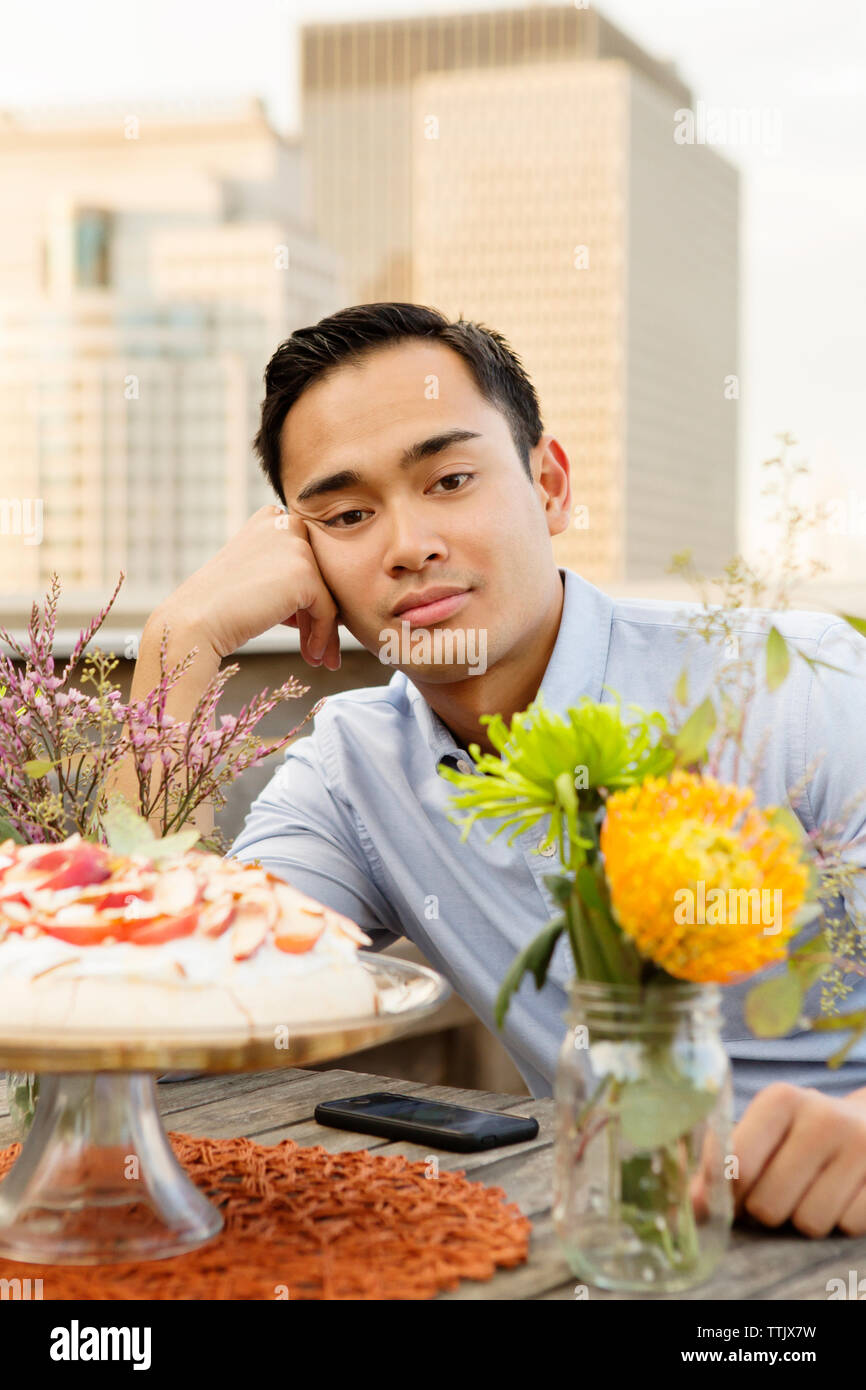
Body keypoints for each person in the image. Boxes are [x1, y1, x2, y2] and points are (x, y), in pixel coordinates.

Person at [129, 302, 866, 1238]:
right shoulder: (355, 772)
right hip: (614, 1243)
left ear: (549, 484)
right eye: (348, 514)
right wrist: (177, 650)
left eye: (450, 478)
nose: (407, 545)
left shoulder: (793, 687)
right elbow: (148, 1035)